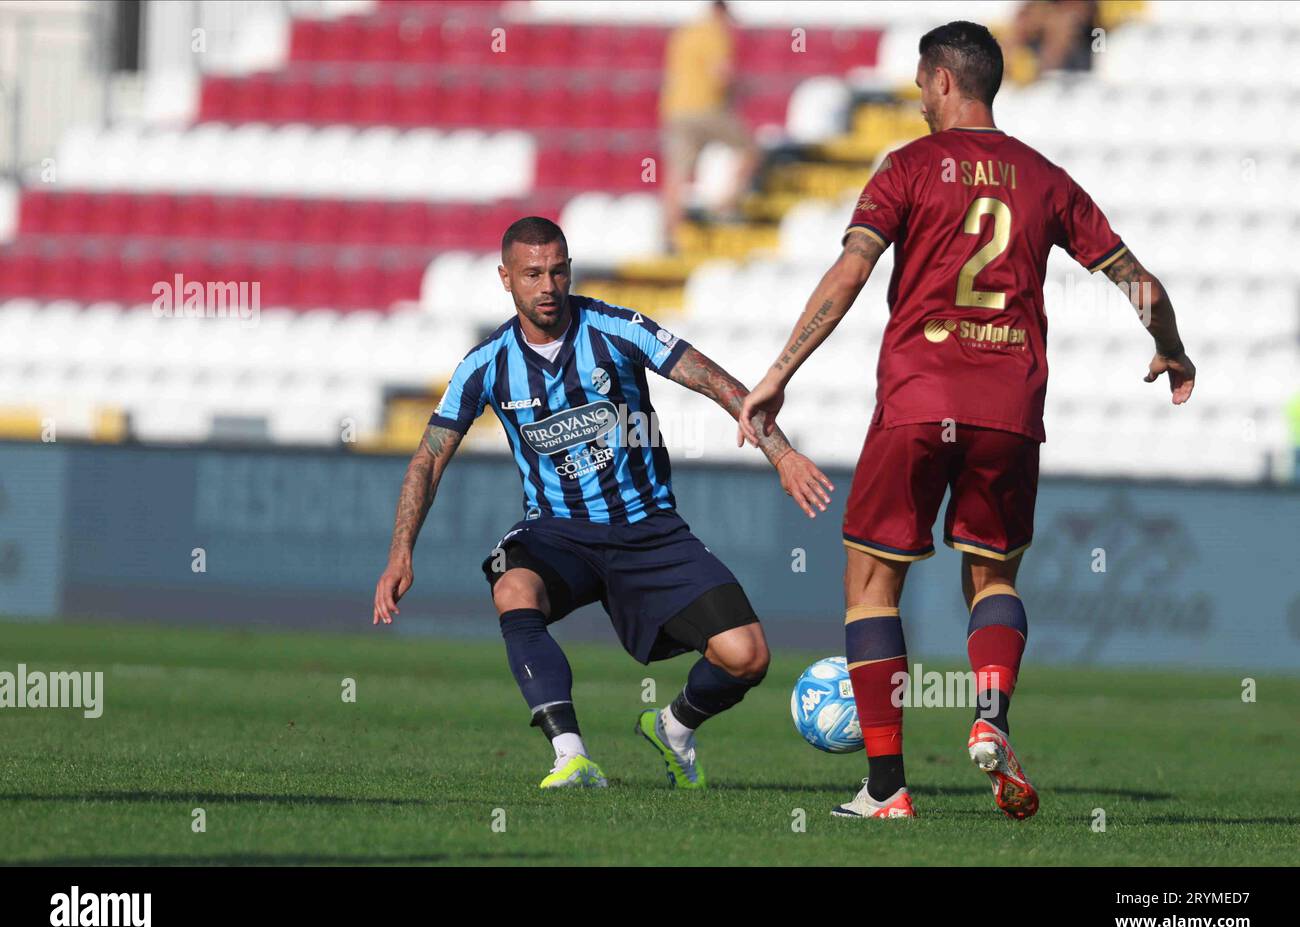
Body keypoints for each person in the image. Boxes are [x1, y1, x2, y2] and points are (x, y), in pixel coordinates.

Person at [737, 22, 1195, 820]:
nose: (918, 100)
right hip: (1010, 410)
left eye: (921, 85)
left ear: (942, 81)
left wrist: (777, 376)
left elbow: (850, 273)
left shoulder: (908, 167)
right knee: (994, 576)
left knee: (872, 585)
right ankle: (990, 715)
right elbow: (1139, 282)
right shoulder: (1044, 176)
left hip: (919, 400)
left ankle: (886, 790)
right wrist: (1173, 350)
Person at [373, 216, 833, 790]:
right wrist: (401, 551)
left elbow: (717, 382)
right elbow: (428, 457)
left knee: (748, 657)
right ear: (505, 279)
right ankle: (571, 756)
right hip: (558, 533)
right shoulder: (485, 364)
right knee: (513, 587)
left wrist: (782, 455)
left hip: (650, 531)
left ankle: (673, 725)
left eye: (558, 270)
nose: (548, 286)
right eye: (532, 274)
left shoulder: (616, 329)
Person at [659, 0, 760, 247]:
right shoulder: (716, 32)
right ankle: (725, 205)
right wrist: (742, 90)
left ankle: (669, 233)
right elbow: (721, 73)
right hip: (707, 108)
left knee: (678, 174)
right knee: (751, 150)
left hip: (676, 110)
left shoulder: (684, 33)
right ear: (721, 10)